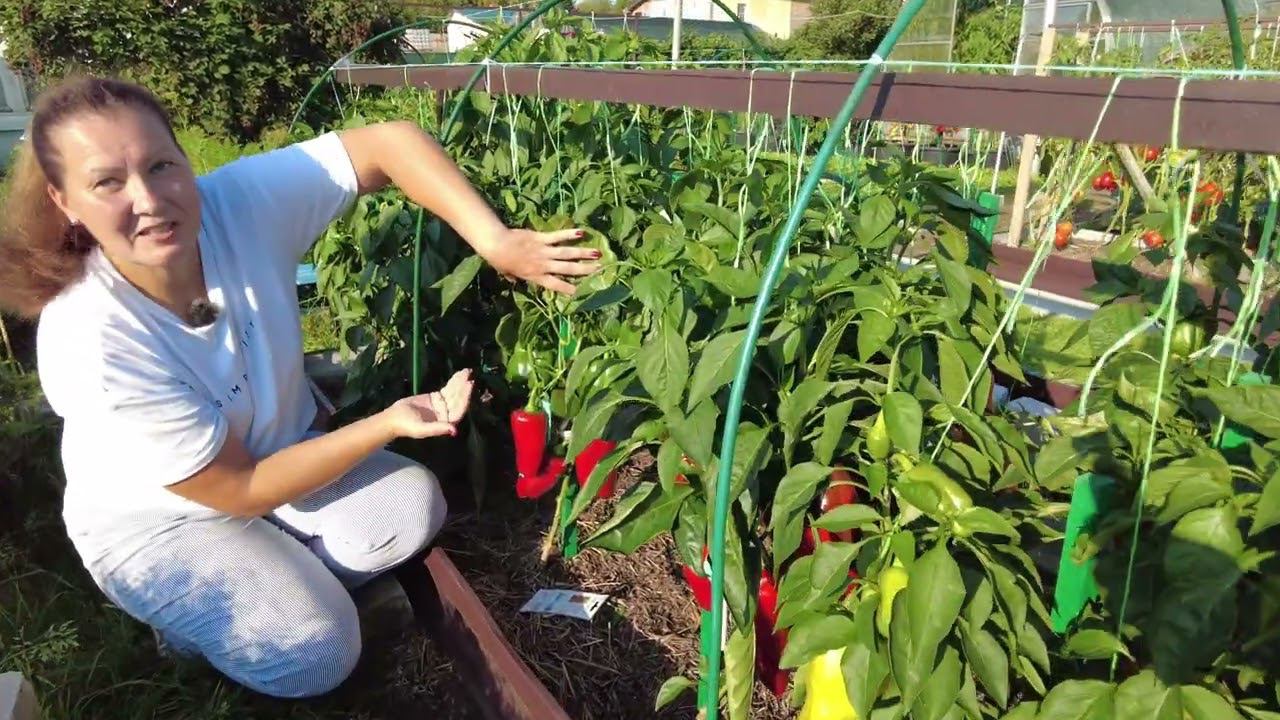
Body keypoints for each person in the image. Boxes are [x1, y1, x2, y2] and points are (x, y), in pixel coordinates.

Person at [0, 75, 601, 699]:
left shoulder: (234, 205)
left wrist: (497, 242)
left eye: (161, 165)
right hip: (162, 524)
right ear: (63, 199)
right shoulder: (92, 338)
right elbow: (235, 488)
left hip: (272, 461)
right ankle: (188, 621)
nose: (148, 198)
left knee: (412, 508)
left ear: (185, 159)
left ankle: (281, 571)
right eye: (107, 182)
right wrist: (387, 423)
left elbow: (389, 143)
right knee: (315, 651)